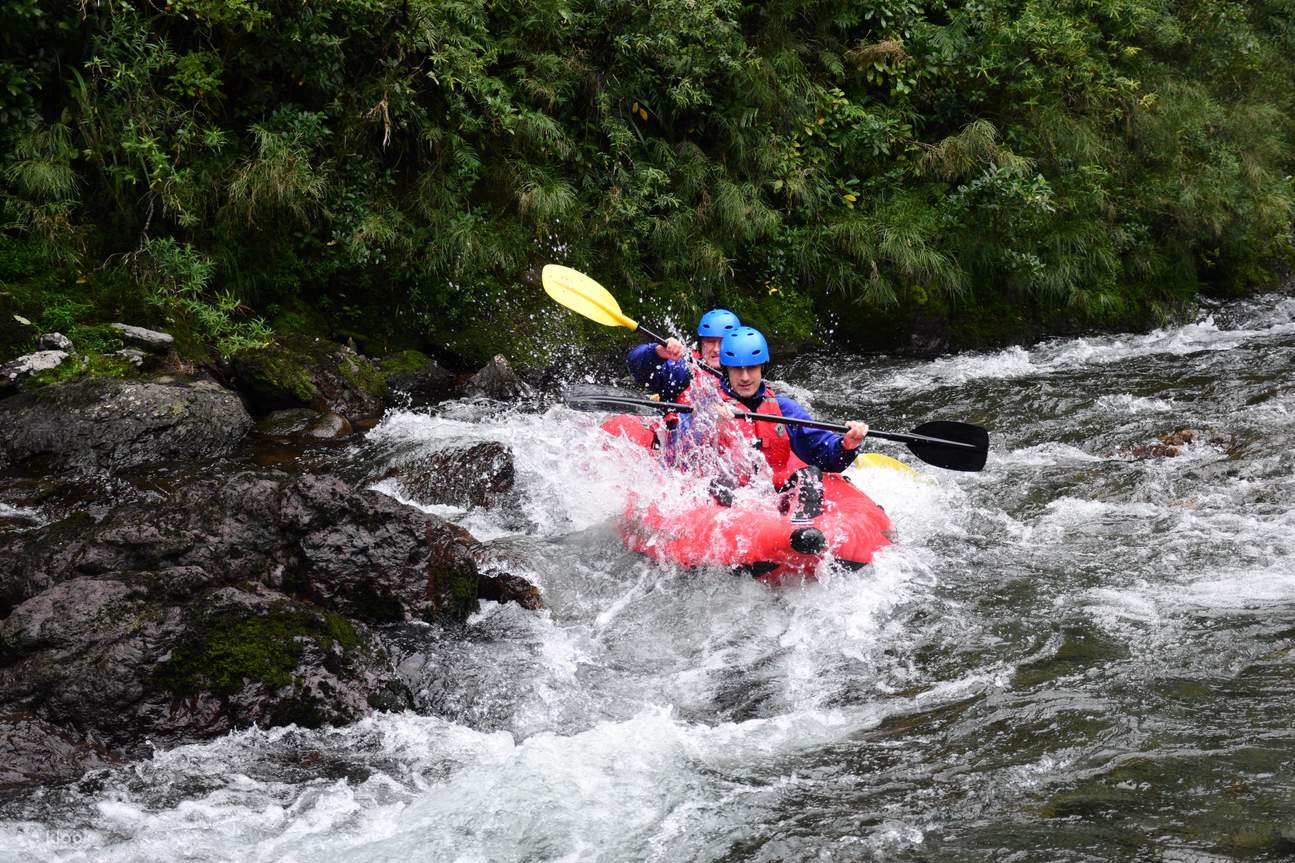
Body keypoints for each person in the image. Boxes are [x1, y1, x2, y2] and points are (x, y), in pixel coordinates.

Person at [669, 326, 869, 521]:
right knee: (719, 486)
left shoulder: (784, 408)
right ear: (727, 369)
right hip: (729, 496)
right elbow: (679, 455)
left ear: (762, 367)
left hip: (774, 491)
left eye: (752, 368)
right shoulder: (707, 406)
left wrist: (846, 445)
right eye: (737, 369)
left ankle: (804, 529)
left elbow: (823, 455)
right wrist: (712, 427)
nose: (745, 377)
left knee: (810, 475)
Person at [626, 308, 739, 401]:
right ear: (700, 344)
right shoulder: (684, 369)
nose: (716, 349)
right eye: (710, 341)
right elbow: (634, 364)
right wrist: (656, 352)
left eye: (723, 341)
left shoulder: (750, 375)